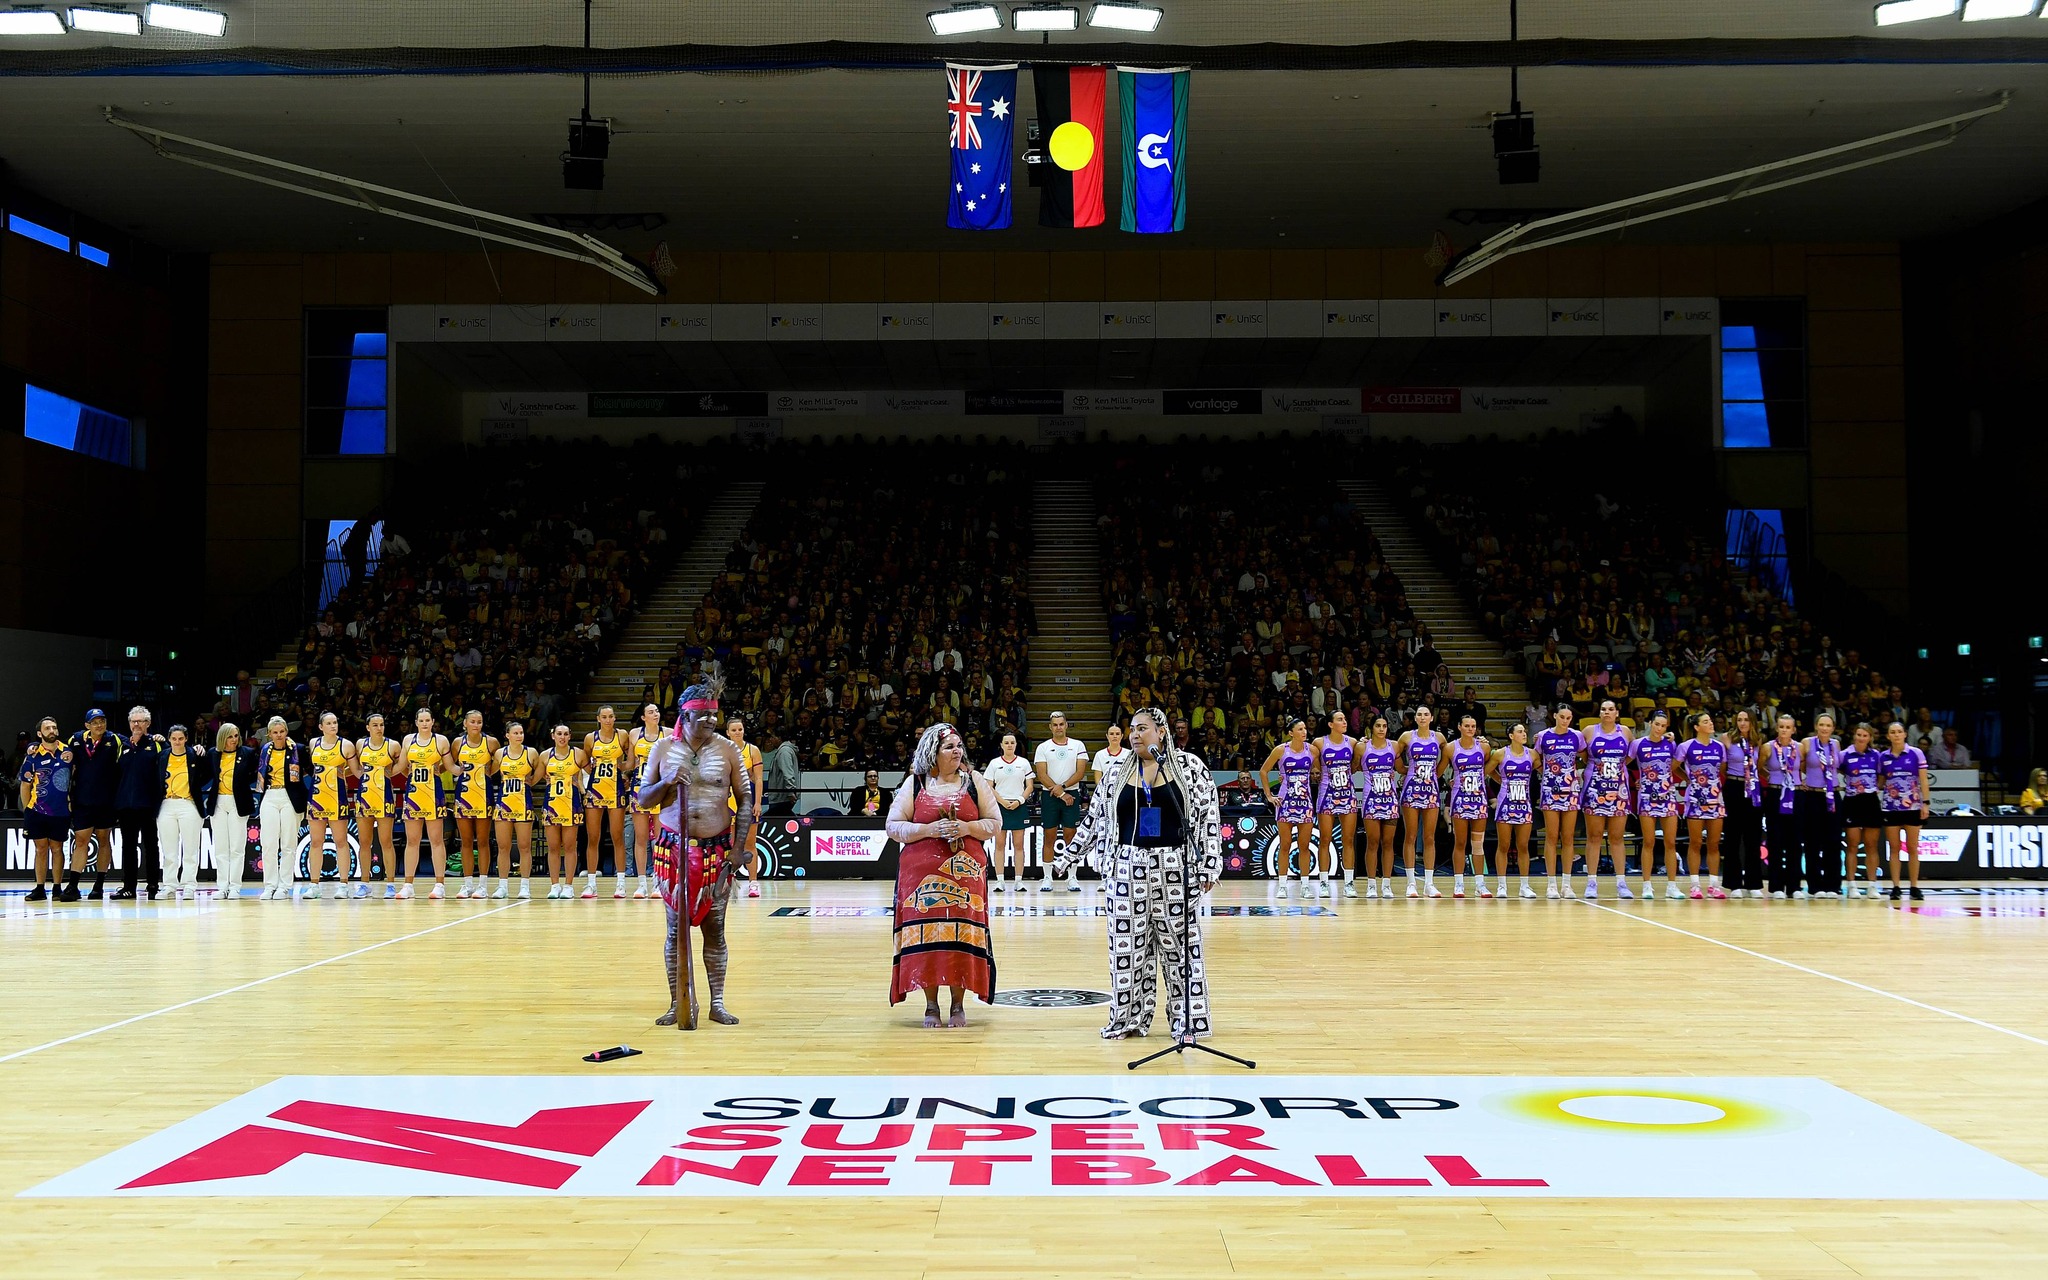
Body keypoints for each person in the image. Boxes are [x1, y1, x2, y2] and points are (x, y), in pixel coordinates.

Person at [1053, 706, 1223, 1042]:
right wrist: (1069, 856)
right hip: (1126, 869)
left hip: (1176, 867)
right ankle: (1128, 1020)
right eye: (1132, 728)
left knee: (1181, 951)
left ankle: (1188, 1021)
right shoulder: (1117, 770)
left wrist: (1209, 863)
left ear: (1161, 732)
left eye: (1142, 728)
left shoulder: (1190, 768)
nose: (1134, 734)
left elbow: (1208, 818)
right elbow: (1097, 818)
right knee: (1127, 950)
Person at [639, 680, 749, 1028]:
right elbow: (643, 800)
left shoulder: (729, 749)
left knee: (715, 928)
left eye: (714, 715)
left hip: (716, 851)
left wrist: (738, 848)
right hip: (673, 851)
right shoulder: (661, 749)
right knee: (675, 931)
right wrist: (668, 782)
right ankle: (679, 1001)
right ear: (684, 716)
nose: (711, 722)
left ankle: (717, 1001)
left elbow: (745, 800)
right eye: (703, 716)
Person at [887, 722, 1002, 1027]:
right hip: (919, 879)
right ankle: (930, 1006)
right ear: (932, 753)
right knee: (927, 942)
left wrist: (967, 828)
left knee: (959, 941)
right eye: (949, 747)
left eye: (959, 746)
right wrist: (927, 830)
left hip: (966, 877)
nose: (957, 751)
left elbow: (995, 822)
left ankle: (958, 1005)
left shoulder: (975, 781)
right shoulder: (915, 784)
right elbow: (893, 825)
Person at [1580, 700, 1634, 900]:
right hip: (1595, 789)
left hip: (1618, 790)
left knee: (1617, 838)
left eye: (1611, 709)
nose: (1607, 712)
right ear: (1600, 713)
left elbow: (1630, 756)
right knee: (1594, 837)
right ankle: (1591, 882)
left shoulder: (1626, 732)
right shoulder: (1588, 731)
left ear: (1617, 713)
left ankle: (1621, 883)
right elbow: (1584, 756)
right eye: (1603, 709)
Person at [1258, 719, 1317, 897]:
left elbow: (1323, 770)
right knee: (1285, 845)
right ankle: (1282, 885)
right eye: (1300, 729)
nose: (1304, 732)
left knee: (1305, 846)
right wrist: (1269, 796)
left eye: (1305, 728)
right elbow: (1263, 771)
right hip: (1285, 803)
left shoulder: (1312, 750)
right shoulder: (1280, 750)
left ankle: (1305, 886)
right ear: (1291, 733)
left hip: (1305, 802)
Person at [113, 706, 166, 902]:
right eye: (133, 721)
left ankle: (153, 885)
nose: (136, 724)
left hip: (148, 805)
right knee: (128, 847)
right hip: (126, 805)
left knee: (151, 845)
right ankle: (128, 887)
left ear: (148, 724)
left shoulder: (157, 745)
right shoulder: (122, 746)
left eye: (141, 721)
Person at [1630, 711, 1685, 900]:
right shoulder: (1638, 744)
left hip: (1668, 796)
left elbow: (1677, 766)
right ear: (1650, 723)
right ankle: (1647, 885)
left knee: (1671, 843)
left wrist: (1690, 780)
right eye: (1656, 724)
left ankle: (1672, 885)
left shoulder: (1670, 744)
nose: (1659, 728)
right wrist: (1633, 781)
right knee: (1649, 842)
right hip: (1646, 797)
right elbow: (1624, 763)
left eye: (1663, 726)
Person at [67, 709, 121, 900]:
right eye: (95, 722)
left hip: (106, 801)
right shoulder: (75, 740)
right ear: (87, 725)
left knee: (104, 839)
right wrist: (33, 745)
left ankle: (99, 885)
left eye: (102, 721)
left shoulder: (115, 739)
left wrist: (156, 738)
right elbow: (61, 756)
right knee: (81, 841)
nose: (100, 725)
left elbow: (136, 742)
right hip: (83, 800)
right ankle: (73, 885)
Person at [398, 708, 452, 899]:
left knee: (436, 840)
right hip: (414, 794)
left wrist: (467, 769)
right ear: (416, 722)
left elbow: (450, 766)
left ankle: (439, 884)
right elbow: (402, 767)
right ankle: (408, 885)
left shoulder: (441, 741)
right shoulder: (408, 740)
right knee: (412, 840)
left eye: (428, 720)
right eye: (421, 720)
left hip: (433, 793)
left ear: (433, 721)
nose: (425, 723)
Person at [253, 716, 308, 901]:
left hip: (290, 797)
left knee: (288, 844)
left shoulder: (298, 750)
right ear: (269, 734)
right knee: (268, 843)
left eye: (282, 732)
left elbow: (309, 770)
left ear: (286, 732)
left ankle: (284, 886)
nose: (278, 735)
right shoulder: (264, 750)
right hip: (269, 795)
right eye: (275, 732)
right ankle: (269, 885)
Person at [306, 711, 359, 899]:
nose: (333, 726)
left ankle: (343, 885)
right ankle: (314, 885)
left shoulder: (346, 745)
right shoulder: (314, 743)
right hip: (317, 797)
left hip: (338, 798)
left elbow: (357, 772)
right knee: (316, 842)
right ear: (321, 727)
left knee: (341, 841)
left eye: (335, 722)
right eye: (328, 723)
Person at [17, 717, 71, 902]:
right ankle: (40, 888)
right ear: (40, 733)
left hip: (61, 810)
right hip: (37, 809)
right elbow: (25, 785)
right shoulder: (32, 756)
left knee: (57, 848)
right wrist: (27, 810)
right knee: (40, 849)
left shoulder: (68, 751)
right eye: (47, 728)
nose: (52, 730)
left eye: (54, 727)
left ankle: (57, 888)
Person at [1676, 713, 1729, 899]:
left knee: (1714, 844)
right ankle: (1695, 884)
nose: (1711, 723)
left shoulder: (1719, 747)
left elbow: (1721, 770)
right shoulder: (1686, 746)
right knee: (1696, 842)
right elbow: (1673, 767)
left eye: (1710, 720)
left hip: (1715, 798)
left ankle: (1714, 885)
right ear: (1697, 727)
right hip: (1695, 799)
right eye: (1706, 721)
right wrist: (1689, 779)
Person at [1033, 711, 1087, 892]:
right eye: (1055, 724)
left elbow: (1080, 773)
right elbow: (1041, 775)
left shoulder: (1078, 745)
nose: (1058, 727)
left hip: (1072, 794)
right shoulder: (1043, 747)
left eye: (1061, 724)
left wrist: (1062, 787)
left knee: (1071, 837)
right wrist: (1061, 794)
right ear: (1050, 727)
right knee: (1049, 836)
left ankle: (1072, 877)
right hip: (1051, 796)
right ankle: (1047, 877)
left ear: (1066, 725)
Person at [1396, 705, 1446, 898]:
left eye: (1426, 714)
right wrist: (1404, 770)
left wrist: (1438, 773)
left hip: (1431, 789)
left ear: (1431, 718)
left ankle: (1429, 883)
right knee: (1410, 836)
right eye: (1419, 714)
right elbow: (1394, 756)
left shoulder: (1439, 738)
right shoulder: (1406, 737)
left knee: (1429, 837)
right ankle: (1411, 883)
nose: (1423, 717)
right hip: (1412, 789)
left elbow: (1449, 754)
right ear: (1415, 718)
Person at [1535, 705, 1585, 899]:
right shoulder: (1543, 736)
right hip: (1550, 790)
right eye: (1562, 717)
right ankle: (1551, 885)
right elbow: (1535, 758)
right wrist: (1547, 775)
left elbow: (1585, 756)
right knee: (1551, 836)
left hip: (1571, 790)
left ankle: (1567, 884)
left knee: (1568, 837)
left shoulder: (1577, 736)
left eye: (1568, 717)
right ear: (1555, 716)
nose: (1565, 721)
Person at [155, 724, 208, 901]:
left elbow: (207, 774)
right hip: (167, 804)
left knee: (191, 848)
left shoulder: (195, 755)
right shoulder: (162, 756)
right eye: (174, 739)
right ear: (169, 739)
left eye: (181, 738)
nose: (177, 742)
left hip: (189, 804)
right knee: (169, 849)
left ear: (186, 739)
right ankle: (169, 885)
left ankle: (189, 885)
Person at [581, 706, 629, 901]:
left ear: (615, 718)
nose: (608, 720)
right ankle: (591, 882)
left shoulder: (623, 736)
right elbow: (584, 761)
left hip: (615, 789)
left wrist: (624, 772)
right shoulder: (590, 738)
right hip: (596, 789)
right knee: (593, 837)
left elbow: (630, 760)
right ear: (598, 718)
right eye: (604, 717)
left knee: (617, 837)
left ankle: (621, 882)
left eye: (610, 717)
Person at [205, 722, 257, 901]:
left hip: (239, 802)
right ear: (222, 737)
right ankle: (222, 886)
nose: (234, 740)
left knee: (236, 847)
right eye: (230, 736)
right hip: (218, 801)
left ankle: (235, 886)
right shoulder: (213, 753)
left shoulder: (247, 753)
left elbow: (254, 774)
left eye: (236, 736)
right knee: (220, 847)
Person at [1880, 720, 1931, 902]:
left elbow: (1924, 780)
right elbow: (1880, 782)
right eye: (1892, 732)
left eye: (1899, 731)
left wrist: (1925, 803)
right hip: (1891, 807)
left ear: (1905, 734)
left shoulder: (1916, 753)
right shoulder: (1883, 757)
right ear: (1888, 736)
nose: (1896, 734)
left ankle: (1914, 887)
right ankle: (1895, 887)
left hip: (1913, 807)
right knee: (1894, 848)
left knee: (1912, 848)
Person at [450, 710, 499, 900]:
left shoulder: (491, 742)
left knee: (483, 840)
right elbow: (450, 764)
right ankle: (467, 884)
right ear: (465, 724)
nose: (476, 725)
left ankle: (483, 885)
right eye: (473, 722)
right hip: (463, 795)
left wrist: (489, 771)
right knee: (466, 841)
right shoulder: (457, 743)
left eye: (479, 721)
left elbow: (501, 760)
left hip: (483, 794)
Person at [1487, 722, 1537, 899]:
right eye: (1520, 731)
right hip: (1506, 802)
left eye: (1524, 731)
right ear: (1511, 735)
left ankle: (1525, 885)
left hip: (1524, 803)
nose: (1524, 734)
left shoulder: (1532, 754)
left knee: (1523, 846)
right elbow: (1487, 771)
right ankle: (1502, 885)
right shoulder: (1501, 754)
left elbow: (1544, 769)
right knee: (1504, 845)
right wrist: (1500, 780)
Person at [491, 721, 540, 899]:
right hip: (504, 802)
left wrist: (531, 782)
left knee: (524, 847)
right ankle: (502, 886)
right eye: (516, 733)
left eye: (521, 732)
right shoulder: (499, 754)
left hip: (523, 803)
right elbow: (490, 772)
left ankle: (525, 886)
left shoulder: (531, 753)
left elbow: (541, 771)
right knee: (503, 847)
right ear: (507, 735)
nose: (519, 735)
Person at [1721, 709, 1766, 898]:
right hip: (1734, 785)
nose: (1742, 723)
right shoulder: (1727, 738)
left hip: (1753, 789)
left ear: (1752, 722)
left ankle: (1754, 883)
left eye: (1746, 720)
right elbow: (1722, 767)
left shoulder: (1759, 740)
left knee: (1753, 837)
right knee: (1732, 837)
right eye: (1739, 719)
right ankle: (1734, 884)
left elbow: (1761, 766)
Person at [1313, 711, 1359, 897]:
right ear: (1331, 724)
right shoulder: (1319, 743)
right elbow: (1314, 764)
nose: (1344, 721)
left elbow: (1356, 765)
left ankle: (1349, 883)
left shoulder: (1353, 742)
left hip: (1347, 793)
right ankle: (1323, 882)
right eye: (1340, 719)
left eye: (1345, 719)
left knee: (1348, 840)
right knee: (1325, 840)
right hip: (1327, 794)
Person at [983, 731, 1036, 893]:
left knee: (1018, 845)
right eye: (1006, 743)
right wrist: (1003, 802)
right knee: (1000, 844)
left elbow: (1030, 786)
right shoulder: (994, 764)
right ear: (1001, 745)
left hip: (1018, 806)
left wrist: (1019, 800)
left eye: (1012, 742)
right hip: (1000, 807)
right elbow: (989, 786)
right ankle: (1000, 880)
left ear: (1016, 745)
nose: (1009, 745)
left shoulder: (1024, 763)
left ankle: (1018, 881)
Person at [1445, 714, 1491, 898]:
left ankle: (1480, 884)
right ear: (1459, 727)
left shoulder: (1484, 747)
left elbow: (1491, 768)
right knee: (1460, 842)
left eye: (1473, 726)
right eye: (1467, 725)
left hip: (1478, 800)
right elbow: (1440, 768)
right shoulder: (1450, 748)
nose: (1471, 729)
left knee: (1478, 844)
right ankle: (1459, 884)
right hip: (1460, 800)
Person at [1799, 713, 1844, 899]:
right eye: (1821, 724)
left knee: (1833, 842)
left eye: (1828, 725)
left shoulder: (1836, 744)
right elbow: (1800, 766)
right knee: (1812, 842)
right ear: (1816, 726)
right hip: (1813, 796)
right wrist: (1804, 781)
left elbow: (1837, 768)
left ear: (1833, 728)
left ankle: (1833, 885)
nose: (1825, 728)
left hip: (1832, 797)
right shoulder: (1807, 743)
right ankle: (1815, 886)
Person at [1763, 713, 1805, 900]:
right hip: (1775, 794)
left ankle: (1794, 886)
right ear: (1776, 728)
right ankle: (1776, 886)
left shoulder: (1801, 748)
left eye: (1788, 727)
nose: (1784, 730)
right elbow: (1758, 768)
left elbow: (1802, 767)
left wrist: (1797, 781)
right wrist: (1774, 779)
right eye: (1781, 727)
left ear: (1794, 730)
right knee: (1776, 840)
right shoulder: (1768, 747)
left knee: (1795, 842)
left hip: (1795, 794)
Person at [625, 704, 666, 900]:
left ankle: (658, 881)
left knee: (658, 839)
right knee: (640, 838)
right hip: (638, 788)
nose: (655, 714)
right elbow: (629, 764)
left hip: (659, 789)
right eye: (650, 712)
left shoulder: (667, 733)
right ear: (643, 717)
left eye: (657, 711)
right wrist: (611, 764)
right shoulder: (634, 734)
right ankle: (641, 884)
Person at [1839, 722, 1884, 898]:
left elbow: (1881, 777)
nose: (1861, 738)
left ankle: (1872, 885)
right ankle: (1851, 885)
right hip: (1852, 801)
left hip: (1871, 802)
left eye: (1865, 735)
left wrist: (1873, 788)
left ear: (1870, 737)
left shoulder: (1876, 756)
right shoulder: (1844, 755)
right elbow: (1839, 772)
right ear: (1854, 735)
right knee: (1852, 845)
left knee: (1872, 845)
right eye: (1859, 735)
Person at [1358, 715, 1401, 899]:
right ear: (1371, 728)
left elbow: (1403, 768)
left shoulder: (1395, 746)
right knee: (1373, 842)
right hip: (1371, 800)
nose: (1382, 729)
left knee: (1388, 843)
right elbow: (1351, 767)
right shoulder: (1362, 747)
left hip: (1390, 799)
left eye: (1384, 725)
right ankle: (1371, 884)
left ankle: (1386, 884)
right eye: (1378, 726)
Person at [540, 724, 585, 898]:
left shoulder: (578, 754)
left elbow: (590, 770)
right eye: (559, 733)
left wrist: (580, 785)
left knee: (570, 845)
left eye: (566, 734)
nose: (562, 737)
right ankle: (554, 885)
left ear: (570, 736)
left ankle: (568, 885)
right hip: (551, 803)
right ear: (553, 735)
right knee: (552, 846)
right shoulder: (545, 756)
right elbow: (535, 777)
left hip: (571, 803)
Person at [356, 714, 398, 895]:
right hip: (365, 796)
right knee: (364, 843)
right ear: (368, 727)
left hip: (384, 796)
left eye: (381, 724)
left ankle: (390, 884)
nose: (379, 728)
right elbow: (355, 767)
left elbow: (403, 764)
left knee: (386, 842)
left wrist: (389, 773)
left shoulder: (393, 745)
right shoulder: (360, 745)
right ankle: (364, 884)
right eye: (375, 725)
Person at [726, 716, 765, 898]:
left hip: (747, 800)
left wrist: (758, 802)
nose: (737, 732)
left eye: (740, 729)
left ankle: (753, 883)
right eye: (733, 730)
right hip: (728, 800)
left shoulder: (753, 750)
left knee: (750, 843)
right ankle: (728, 881)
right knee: (729, 844)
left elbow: (758, 779)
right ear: (727, 733)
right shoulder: (722, 750)